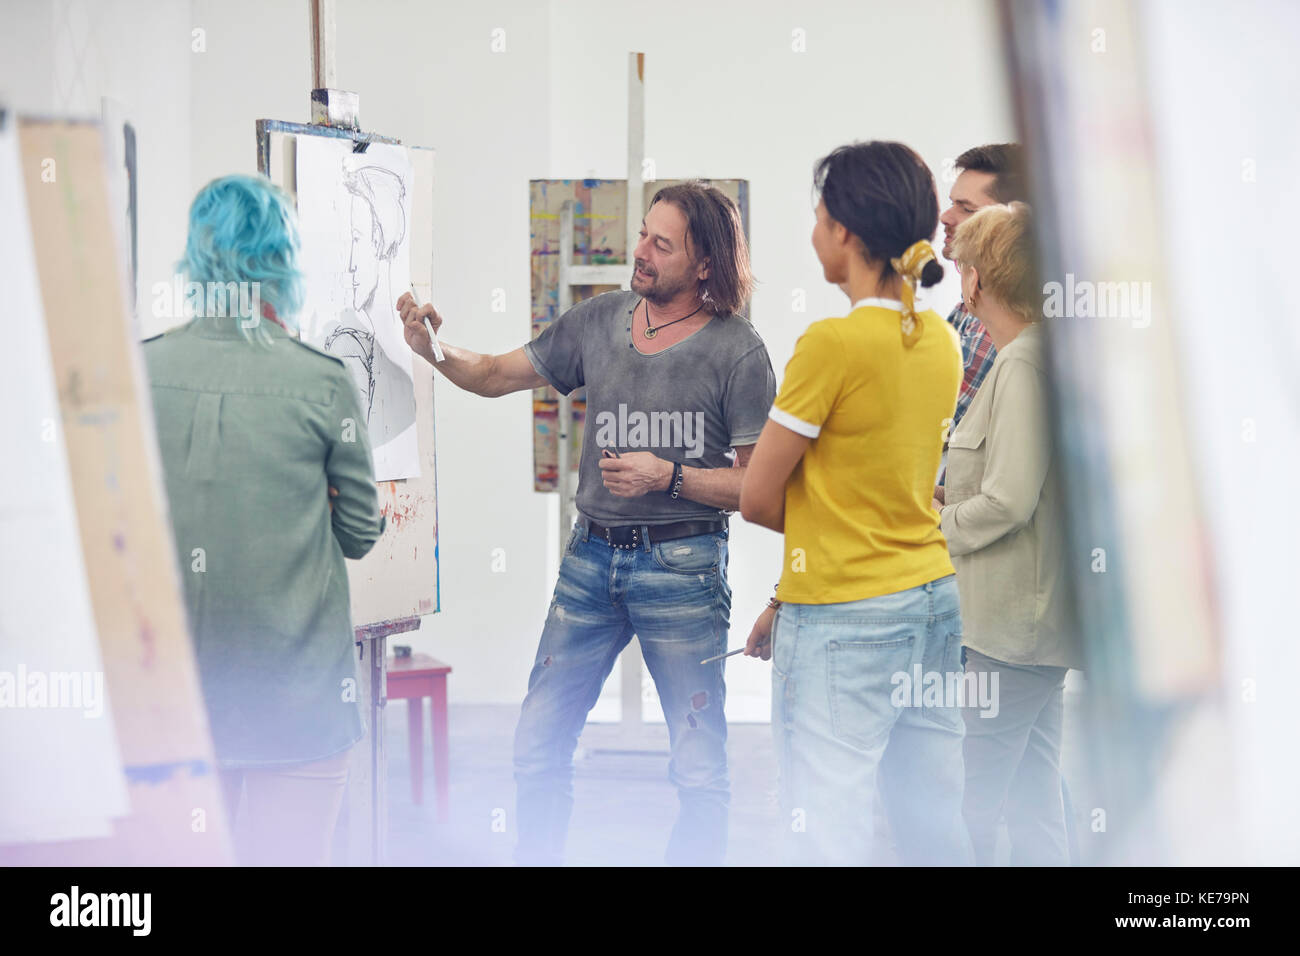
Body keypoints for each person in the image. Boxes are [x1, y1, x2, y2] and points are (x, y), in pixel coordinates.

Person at [396, 182, 777, 866]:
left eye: (662, 244)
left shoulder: (739, 353)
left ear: (705, 265)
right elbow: (491, 375)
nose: (640, 252)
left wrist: (669, 475)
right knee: (536, 746)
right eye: (643, 235)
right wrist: (435, 350)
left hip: (683, 570)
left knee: (698, 770)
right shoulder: (599, 321)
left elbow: (761, 488)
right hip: (589, 562)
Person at [144, 174, 386, 866]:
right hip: (298, 697)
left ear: (197, 259)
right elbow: (361, 532)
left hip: (181, 698)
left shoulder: (141, 370)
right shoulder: (319, 379)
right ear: (283, 261)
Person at [739, 142, 970, 865]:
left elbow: (756, 496)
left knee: (824, 832)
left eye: (817, 213)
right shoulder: (940, 338)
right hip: (932, 600)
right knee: (934, 824)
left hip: (844, 618)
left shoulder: (831, 345)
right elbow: (893, 483)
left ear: (843, 229)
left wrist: (819, 528)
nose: (812, 229)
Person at [939, 201, 1083, 865]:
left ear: (977, 280)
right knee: (1033, 809)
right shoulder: (1033, 357)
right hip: (1027, 635)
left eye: (963, 263)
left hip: (1006, 634)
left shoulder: (1021, 364)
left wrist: (935, 525)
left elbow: (1008, 500)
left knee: (963, 807)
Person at [936, 143, 1028, 462]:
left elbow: (932, 428)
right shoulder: (967, 308)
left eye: (967, 209)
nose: (946, 217)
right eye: (952, 204)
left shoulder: (1003, 321)